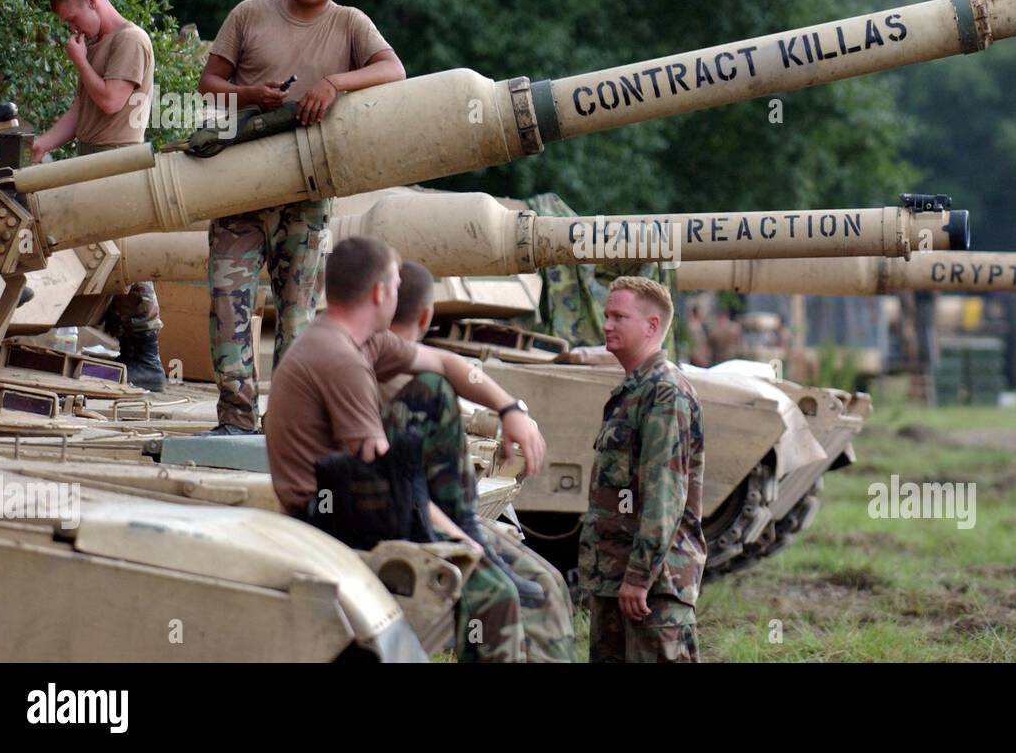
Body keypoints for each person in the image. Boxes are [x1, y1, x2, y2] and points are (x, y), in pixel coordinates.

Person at [264, 237, 548, 662]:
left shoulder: (356, 343)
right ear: (380, 292)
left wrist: (510, 409)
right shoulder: (338, 359)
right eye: (396, 284)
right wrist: (455, 543)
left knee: (432, 388)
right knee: (494, 594)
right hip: (330, 518)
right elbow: (385, 478)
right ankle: (467, 537)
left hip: (354, 498)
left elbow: (448, 366)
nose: (399, 294)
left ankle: (468, 525)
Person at [198, 0, 405, 434]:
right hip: (240, 181)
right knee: (229, 302)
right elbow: (208, 86)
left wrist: (333, 83)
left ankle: (288, 420)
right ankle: (235, 419)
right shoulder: (249, 13)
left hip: (308, 188)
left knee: (298, 314)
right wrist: (251, 95)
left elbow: (393, 70)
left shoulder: (350, 23)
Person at [386, 261, 575, 662]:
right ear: (427, 315)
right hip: (413, 520)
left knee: (548, 583)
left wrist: (510, 408)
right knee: (520, 595)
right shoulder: (386, 376)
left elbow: (451, 366)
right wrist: (465, 538)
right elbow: (397, 484)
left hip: (437, 512)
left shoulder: (398, 360)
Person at [30, 0, 166, 391]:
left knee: (125, 259)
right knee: (102, 259)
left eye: (74, 18)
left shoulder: (129, 40)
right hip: (91, 159)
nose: (72, 29)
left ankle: (146, 355)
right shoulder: (94, 43)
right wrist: (42, 145)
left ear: (93, 2)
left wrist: (80, 61)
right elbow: (81, 107)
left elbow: (110, 101)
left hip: (117, 160)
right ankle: (130, 350)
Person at [579, 276, 706, 663]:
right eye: (606, 315)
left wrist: (639, 576)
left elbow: (664, 495)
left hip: (653, 589)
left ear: (652, 326)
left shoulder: (664, 391)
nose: (607, 325)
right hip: (618, 581)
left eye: (619, 316)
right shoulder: (633, 390)